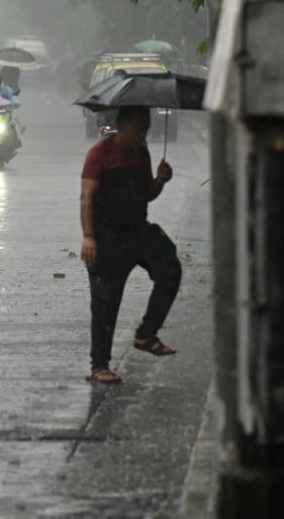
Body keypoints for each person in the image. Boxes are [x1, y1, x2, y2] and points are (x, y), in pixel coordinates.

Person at [79, 105, 182, 384]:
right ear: (122, 127)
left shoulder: (141, 153)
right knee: (105, 303)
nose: (143, 135)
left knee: (170, 270)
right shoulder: (99, 155)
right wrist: (89, 237)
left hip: (138, 231)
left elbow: (145, 194)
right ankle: (99, 365)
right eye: (139, 129)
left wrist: (160, 180)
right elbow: (87, 196)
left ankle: (146, 334)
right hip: (106, 238)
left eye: (146, 130)